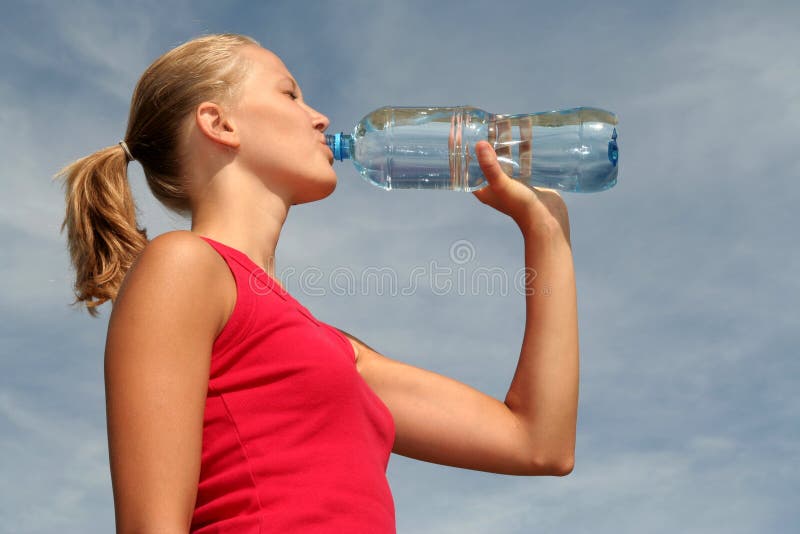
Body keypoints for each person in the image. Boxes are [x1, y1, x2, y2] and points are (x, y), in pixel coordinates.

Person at [57, 34, 579, 533]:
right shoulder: (182, 265)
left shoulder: (336, 354)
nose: (321, 118)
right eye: (290, 94)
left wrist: (546, 231)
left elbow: (539, 444)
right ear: (220, 123)